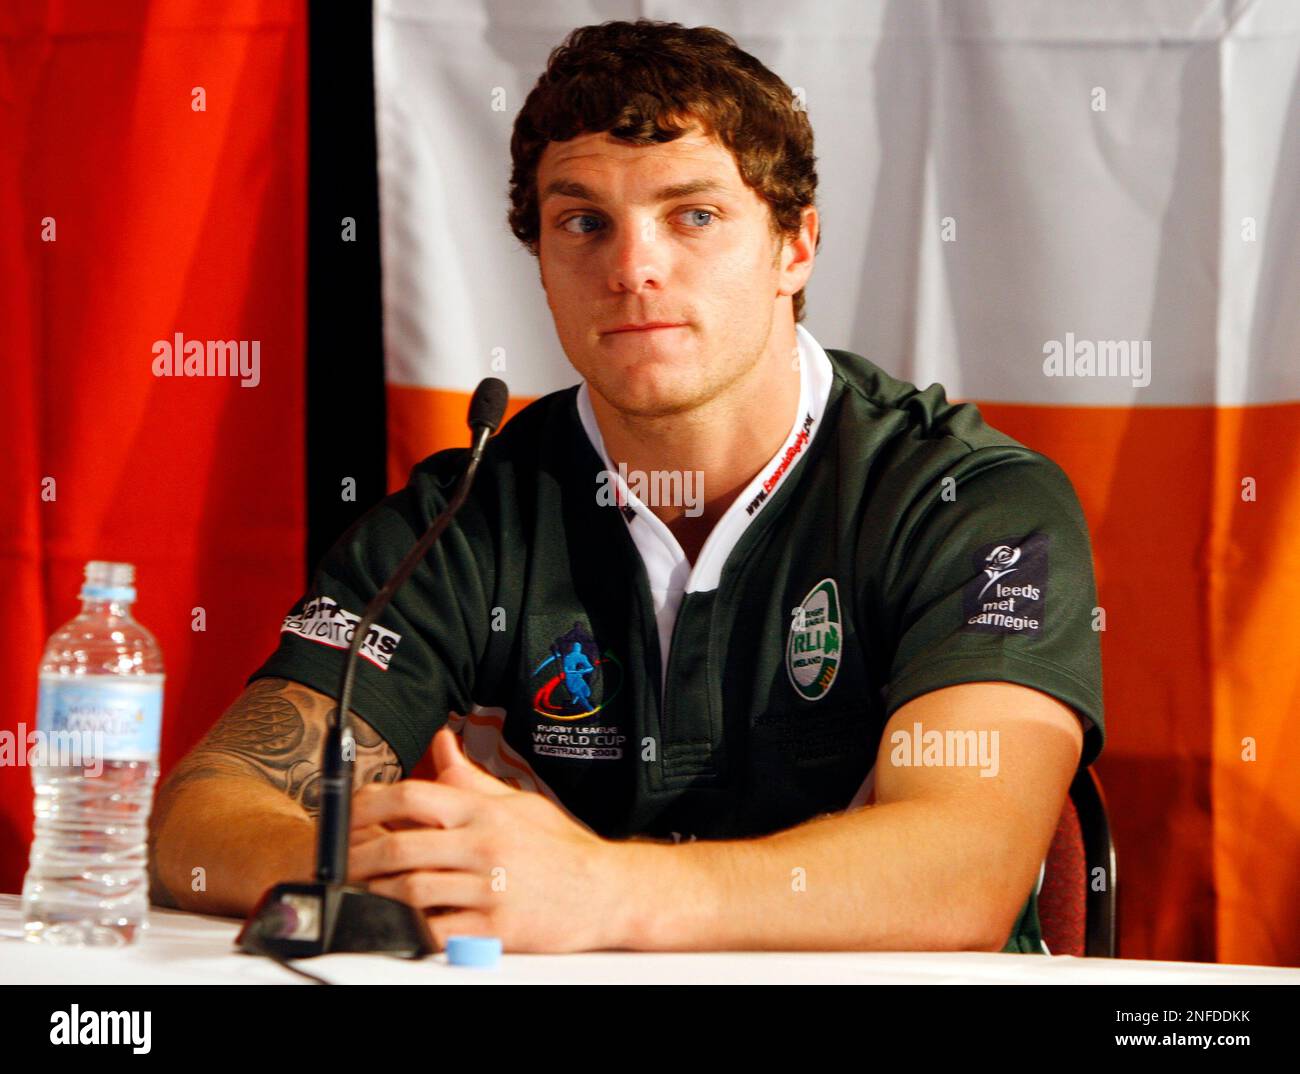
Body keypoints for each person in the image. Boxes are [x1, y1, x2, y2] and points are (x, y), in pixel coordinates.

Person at [149, 19, 1104, 954]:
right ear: (543, 264)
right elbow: (202, 817)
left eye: (693, 214)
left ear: (794, 246)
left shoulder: (969, 501)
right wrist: (413, 867)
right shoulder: (468, 511)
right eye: (583, 222)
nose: (632, 267)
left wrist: (606, 894)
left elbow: (965, 874)